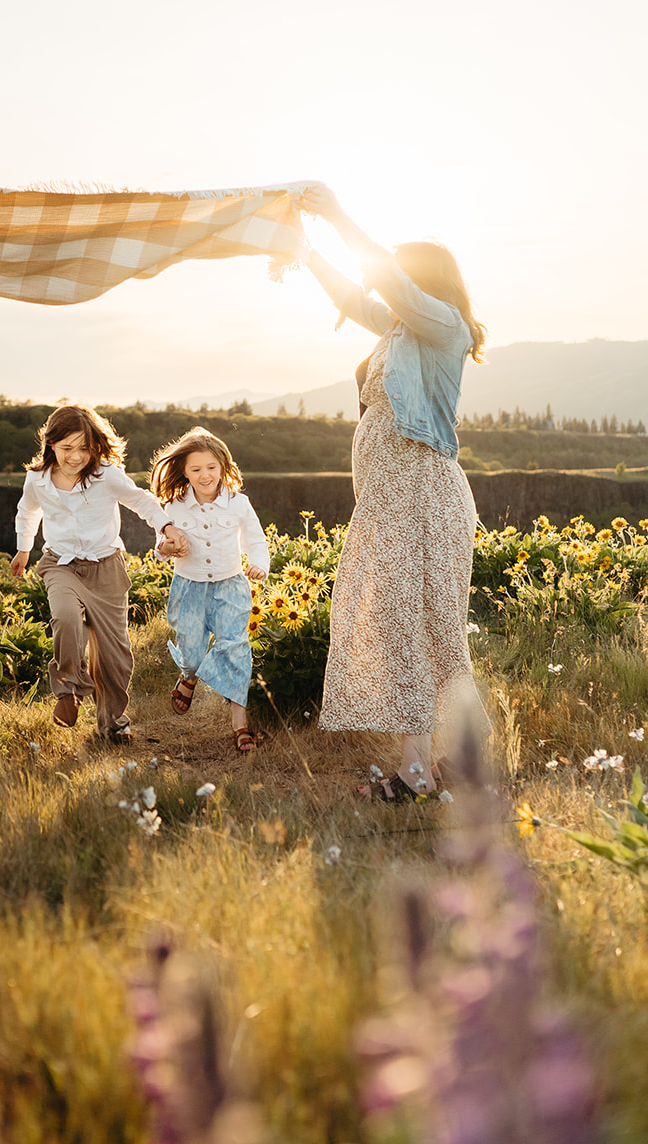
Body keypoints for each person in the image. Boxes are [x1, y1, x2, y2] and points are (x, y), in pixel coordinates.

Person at [299, 184, 489, 799]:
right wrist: (303, 248)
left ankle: (416, 770)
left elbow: (387, 286)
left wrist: (337, 216)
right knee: (411, 622)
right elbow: (355, 297)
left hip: (422, 493)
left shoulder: (444, 325)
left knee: (418, 624)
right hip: (390, 499)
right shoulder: (402, 331)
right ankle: (462, 757)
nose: (387, 281)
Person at [11, 405, 188, 744]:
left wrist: (165, 526)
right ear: (50, 445)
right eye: (66, 448)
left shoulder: (106, 475)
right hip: (61, 563)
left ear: (94, 446)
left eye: (83, 448)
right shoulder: (38, 479)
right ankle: (69, 690)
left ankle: (112, 724)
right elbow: (27, 510)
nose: (75, 457)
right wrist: (23, 548)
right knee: (64, 618)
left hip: (106, 567)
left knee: (114, 657)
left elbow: (142, 502)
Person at [151, 428, 270, 754]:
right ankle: (189, 674)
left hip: (231, 586)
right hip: (189, 587)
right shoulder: (173, 507)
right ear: (184, 472)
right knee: (191, 650)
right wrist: (167, 547)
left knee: (235, 648)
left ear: (223, 467)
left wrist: (259, 563)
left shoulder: (239, 504)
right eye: (196, 469)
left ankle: (240, 724)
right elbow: (159, 547)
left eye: (211, 467)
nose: (205, 476)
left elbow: (257, 542)